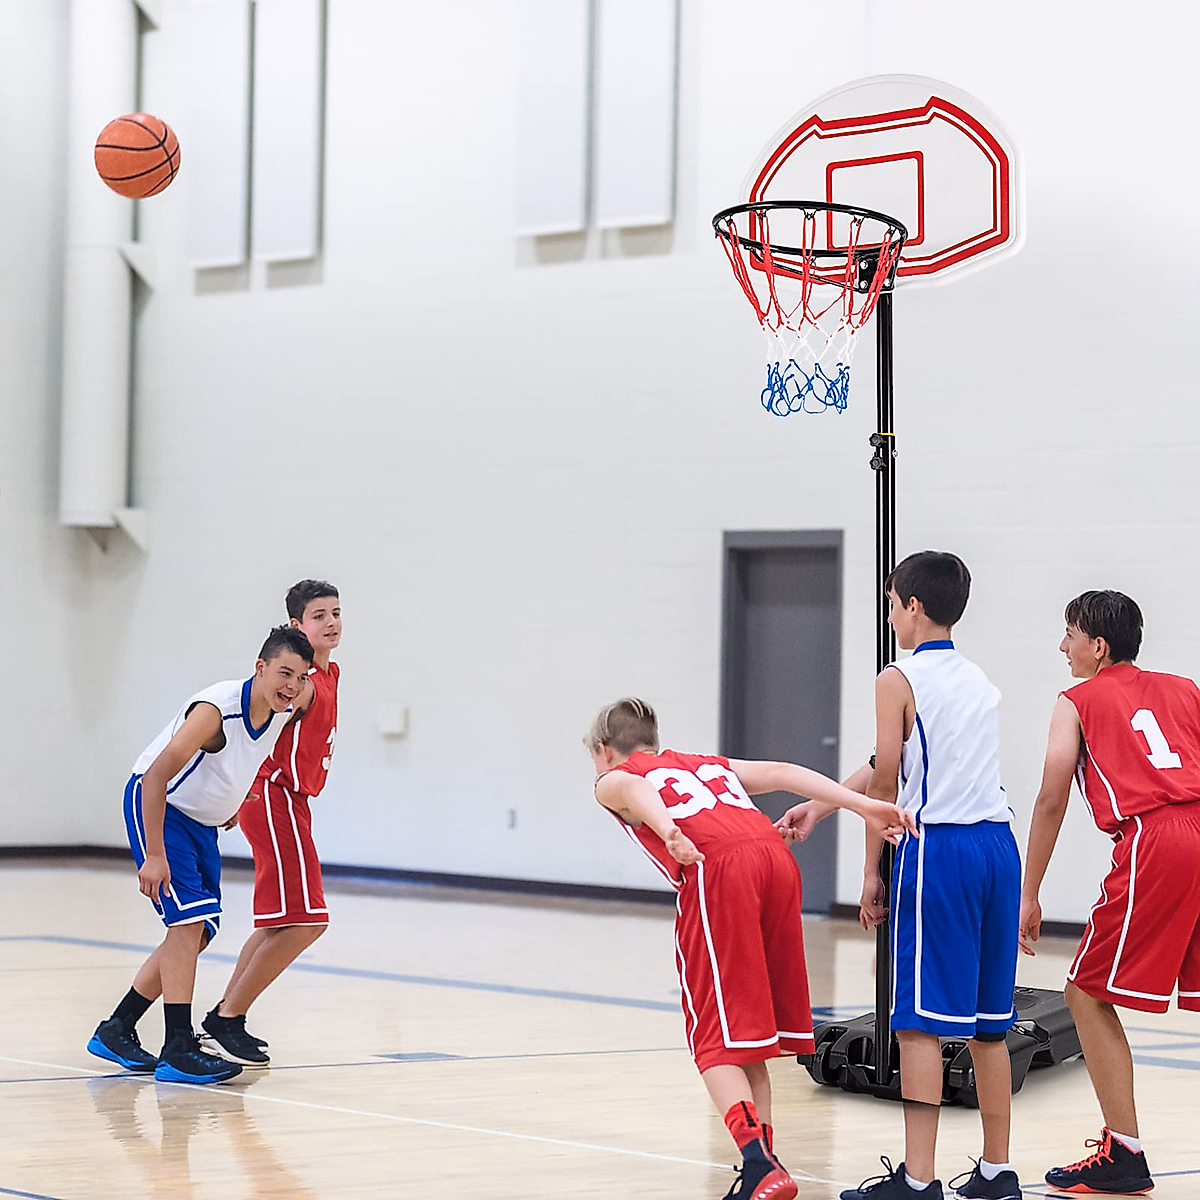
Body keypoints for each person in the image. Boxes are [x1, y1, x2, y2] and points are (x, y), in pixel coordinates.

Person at [586, 697, 917, 1200]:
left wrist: (669, 829)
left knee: (712, 1039)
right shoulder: (703, 764)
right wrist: (864, 804)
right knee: (749, 1037)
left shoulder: (613, 778)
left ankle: (758, 1163)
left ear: (605, 750)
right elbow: (783, 771)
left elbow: (634, 788)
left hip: (716, 869)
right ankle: (768, 1170)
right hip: (774, 860)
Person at [781, 551, 1022, 1200]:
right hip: (998, 848)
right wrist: (824, 801)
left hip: (938, 850)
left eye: (891, 603)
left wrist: (869, 871)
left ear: (913, 606)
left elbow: (887, 783)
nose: (889, 616)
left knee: (915, 1025)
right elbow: (894, 764)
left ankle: (919, 1182)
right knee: (988, 1027)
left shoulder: (897, 677)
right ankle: (998, 1174)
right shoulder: (977, 678)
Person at [1019, 590, 1200, 1195]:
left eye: (1069, 634)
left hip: (1158, 838)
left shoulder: (1076, 700)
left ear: (1098, 646)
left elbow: (1051, 797)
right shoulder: (1184, 688)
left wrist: (1030, 892)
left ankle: (1123, 1153)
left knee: (1085, 993)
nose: (1061, 646)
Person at [86, 626, 315, 1085]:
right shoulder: (215, 713)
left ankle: (117, 1029)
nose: (291, 684)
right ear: (260, 667)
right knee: (186, 924)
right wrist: (154, 855)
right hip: (161, 808)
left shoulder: (287, 705)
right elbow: (153, 778)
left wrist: (233, 800)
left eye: (300, 676)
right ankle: (178, 1047)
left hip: (202, 822)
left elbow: (257, 750)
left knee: (199, 932)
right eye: (283, 672)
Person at [202, 580, 342, 1066]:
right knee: (308, 922)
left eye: (336, 613)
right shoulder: (300, 685)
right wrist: (237, 789)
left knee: (280, 922)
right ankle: (227, 1018)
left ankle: (226, 1015)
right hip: (273, 794)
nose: (331, 623)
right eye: (319, 615)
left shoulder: (330, 674)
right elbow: (256, 729)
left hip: (290, 798)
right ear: (295, 626)